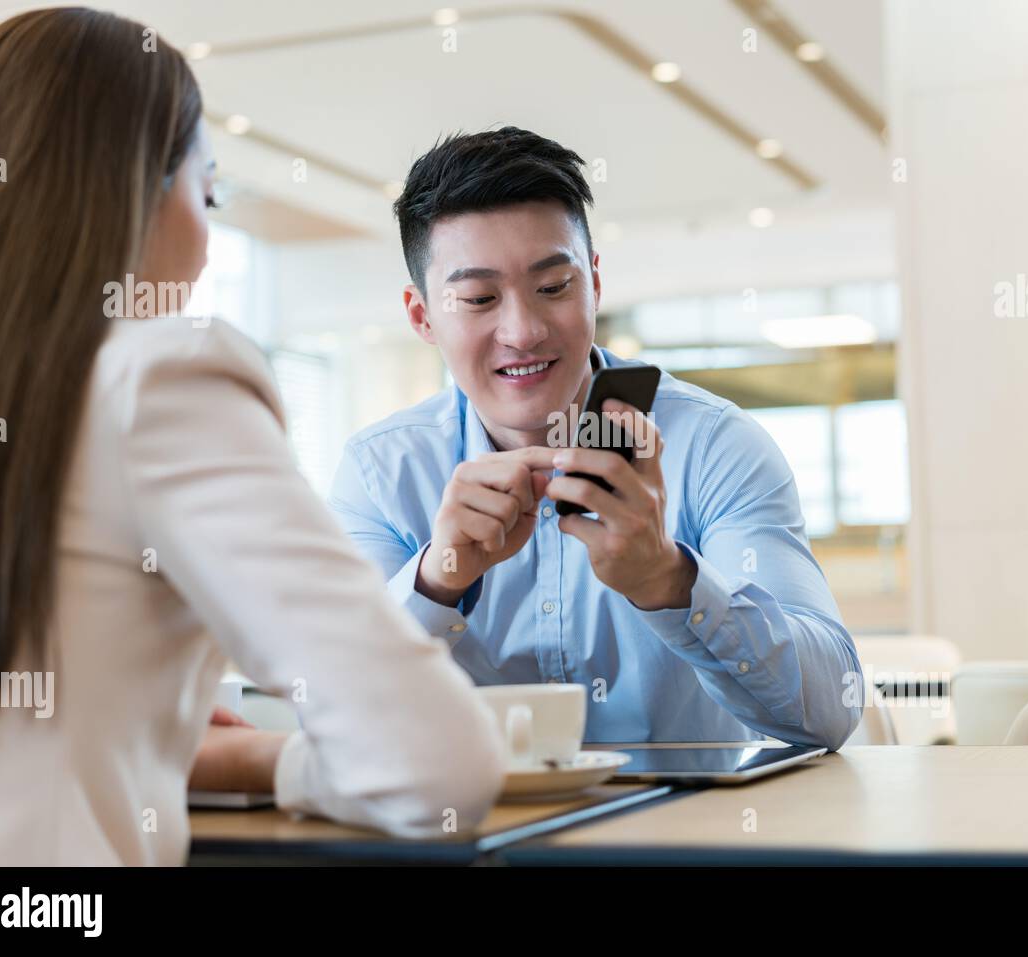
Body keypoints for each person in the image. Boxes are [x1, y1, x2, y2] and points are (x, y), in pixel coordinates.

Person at [0, 8, 504, 866]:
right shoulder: (158, 378)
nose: (207, 249)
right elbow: (439, 764)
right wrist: (264, 757)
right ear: (134, 190)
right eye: (205, 193)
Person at [329, 127, 864, 747]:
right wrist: (436, 582)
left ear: (595, 284)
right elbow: (336, 713)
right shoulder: (382, 473)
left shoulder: (714, 445)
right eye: (478, 298)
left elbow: (832, 711)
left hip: (687, 838)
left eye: (553, 288)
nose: (524, 331)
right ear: (422, 316)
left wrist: (671, 583)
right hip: (475, 837)